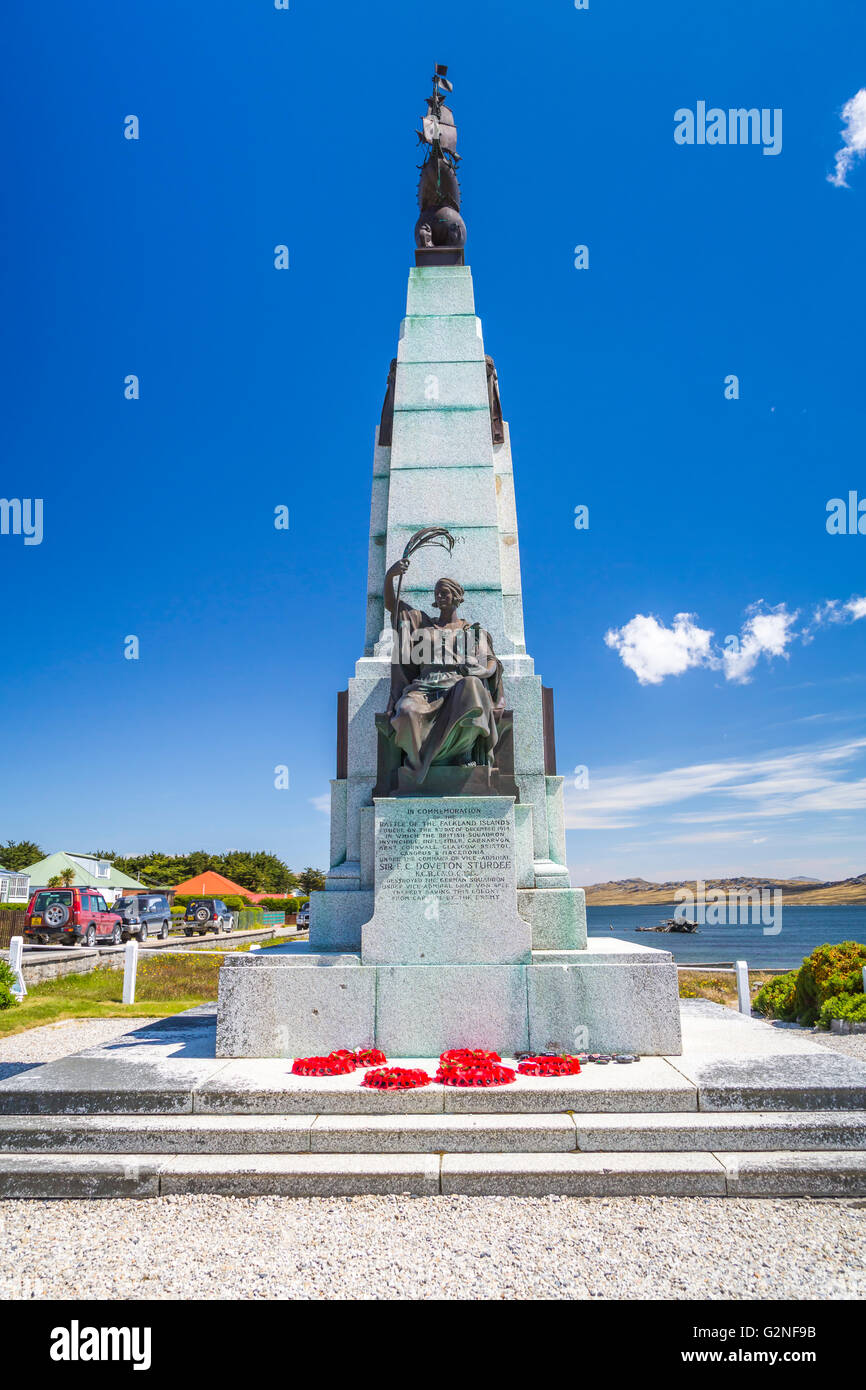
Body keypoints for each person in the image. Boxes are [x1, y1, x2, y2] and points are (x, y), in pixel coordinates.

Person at [383, 558, 504, 783]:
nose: (439, 597)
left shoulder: (472, 631)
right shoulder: (421, 623)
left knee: (473, 689)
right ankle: (421, 764)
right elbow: (393, 605)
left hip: (458, 688)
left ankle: (461, 752)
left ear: (457, 597)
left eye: (445, 593)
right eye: (437, 593)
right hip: (424, 688)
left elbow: (491, 663)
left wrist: (478, 673)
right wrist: (391, 576)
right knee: (407, 710)